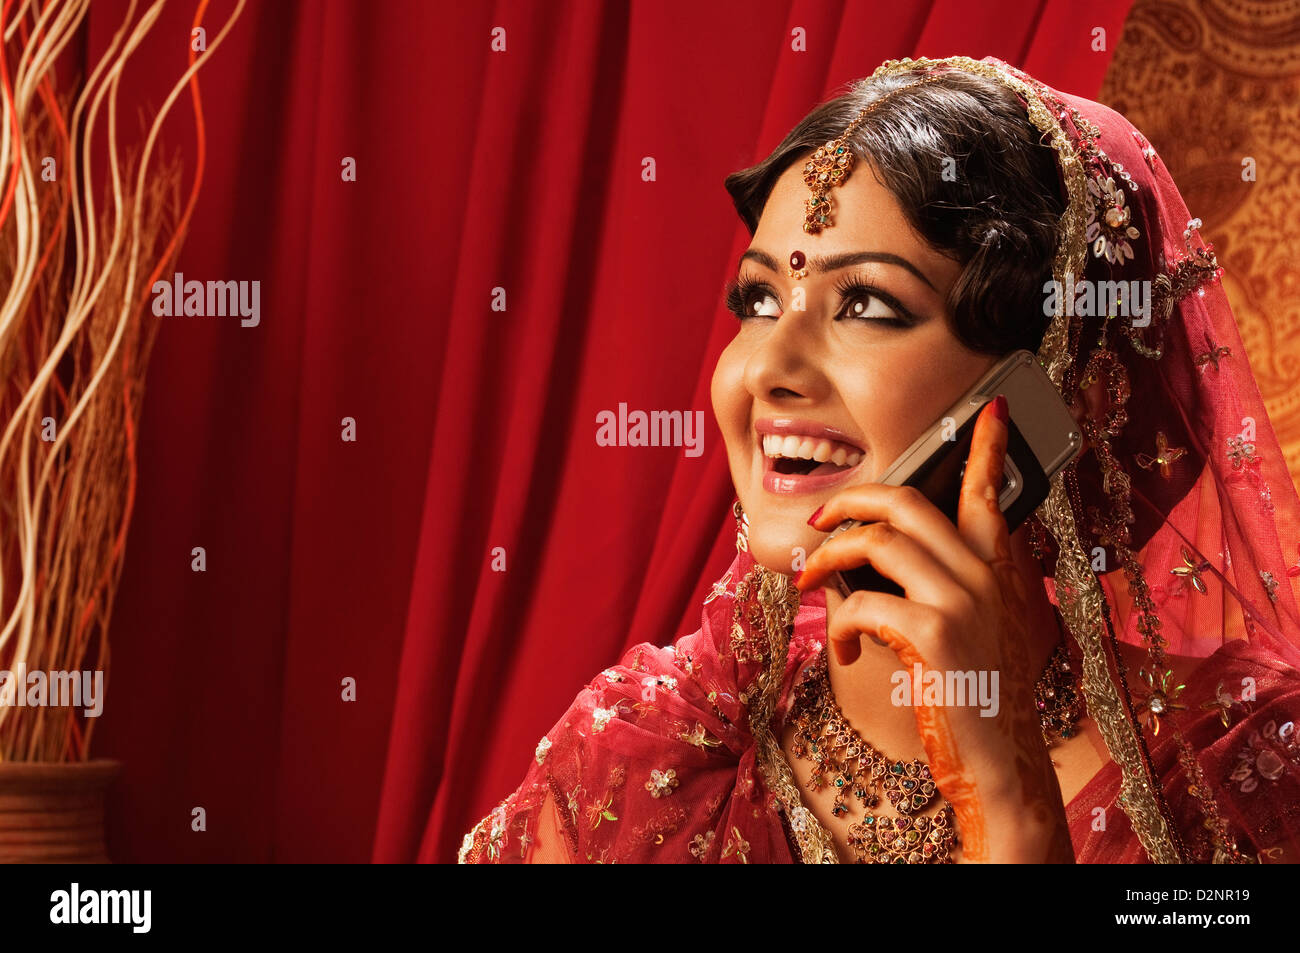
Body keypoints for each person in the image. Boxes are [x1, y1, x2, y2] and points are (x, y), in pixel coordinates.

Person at [457, 55, 1300, 864]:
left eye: (865, 303)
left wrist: (1010, 809)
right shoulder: (644, 764)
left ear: (1061, 390)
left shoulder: (1240, 782)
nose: (768, 372)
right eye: (759, 299)